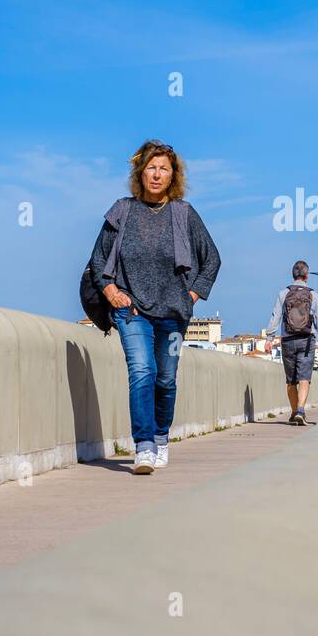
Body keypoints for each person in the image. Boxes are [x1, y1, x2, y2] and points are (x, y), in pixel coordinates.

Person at [88, 140, 221, 474]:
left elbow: (212, 260)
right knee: (142, 372)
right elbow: (98, 259)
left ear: (173, 175)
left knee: (165, 380)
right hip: (131, 310)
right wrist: (111, 291)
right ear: (140, 172)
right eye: (151, 167)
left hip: (173, 315)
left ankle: (161, 436)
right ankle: (144, 446)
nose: (157, 174)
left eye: (164, 168)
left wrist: (190, 296)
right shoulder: (122, 211)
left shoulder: (184, 214)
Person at [265, 260, 318, 425]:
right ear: (307, 276)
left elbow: (275, 316)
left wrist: (270, 338)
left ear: (293, 275)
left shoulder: (283, 293)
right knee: (304, 378)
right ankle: (300, 410)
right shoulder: (313, 295)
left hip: (287, 341)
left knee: (290, 380)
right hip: (307, 341)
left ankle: (294, 412)